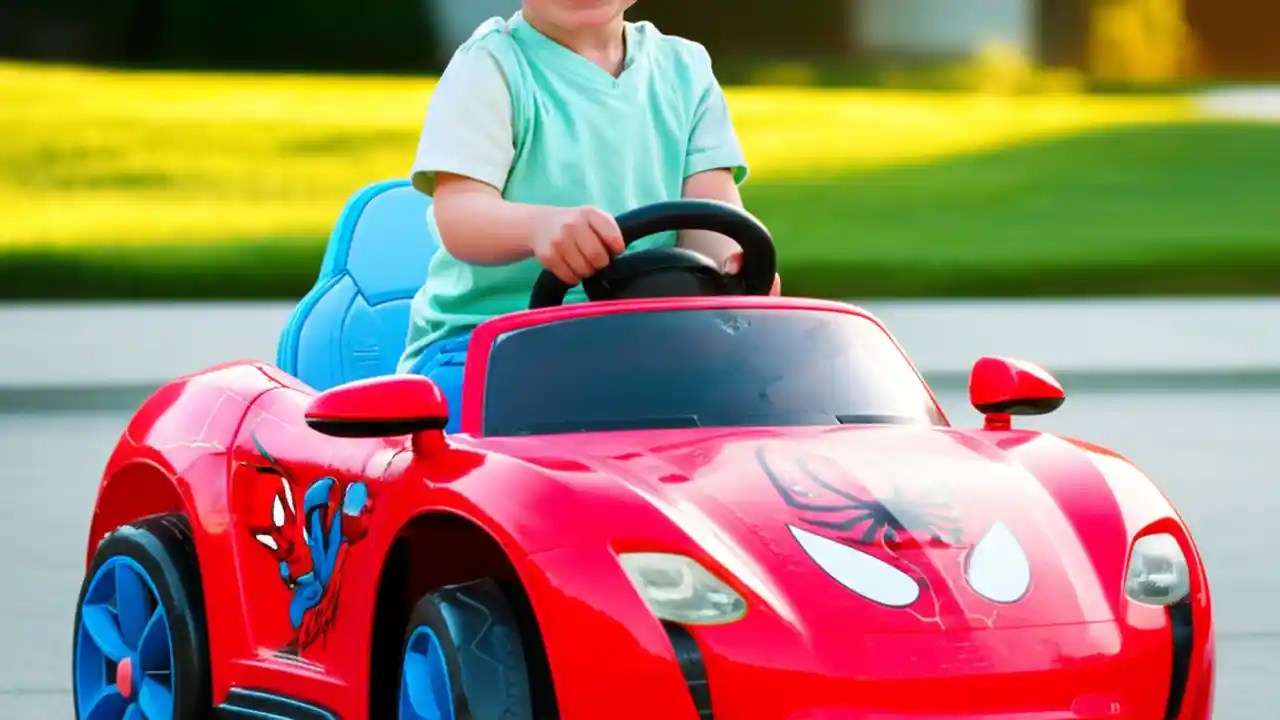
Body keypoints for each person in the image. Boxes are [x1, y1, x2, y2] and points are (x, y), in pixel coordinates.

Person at [398, 0, 773, 430]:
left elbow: (712, 216)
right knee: (500, 435)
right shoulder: (491, 67)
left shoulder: (684, 69)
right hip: (487, 341)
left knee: (765, 402)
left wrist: (733, 272)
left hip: (647, 340)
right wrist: (539, 228)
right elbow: (460, 215)